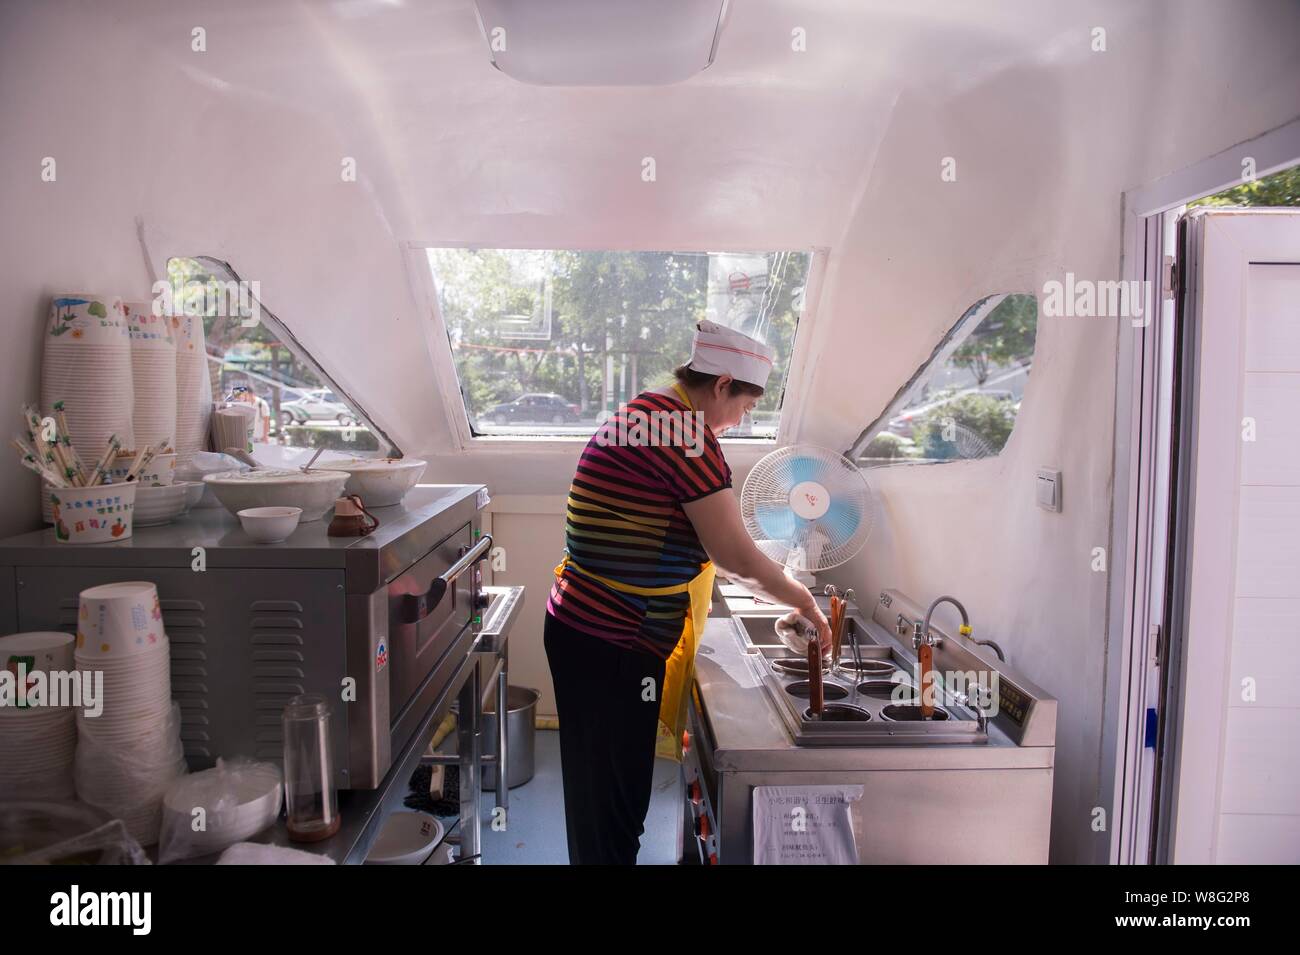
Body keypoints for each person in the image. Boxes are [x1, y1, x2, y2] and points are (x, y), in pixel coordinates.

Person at [544, 319, 831, 864]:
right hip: (613, 640)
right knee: (614, 798)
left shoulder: (648, 410)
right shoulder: (686, 436)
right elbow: (734, 558)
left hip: (584, 626)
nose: (740, 422)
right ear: (722, 384)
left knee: (595, 789)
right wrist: (803, 601)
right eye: (744, 406)